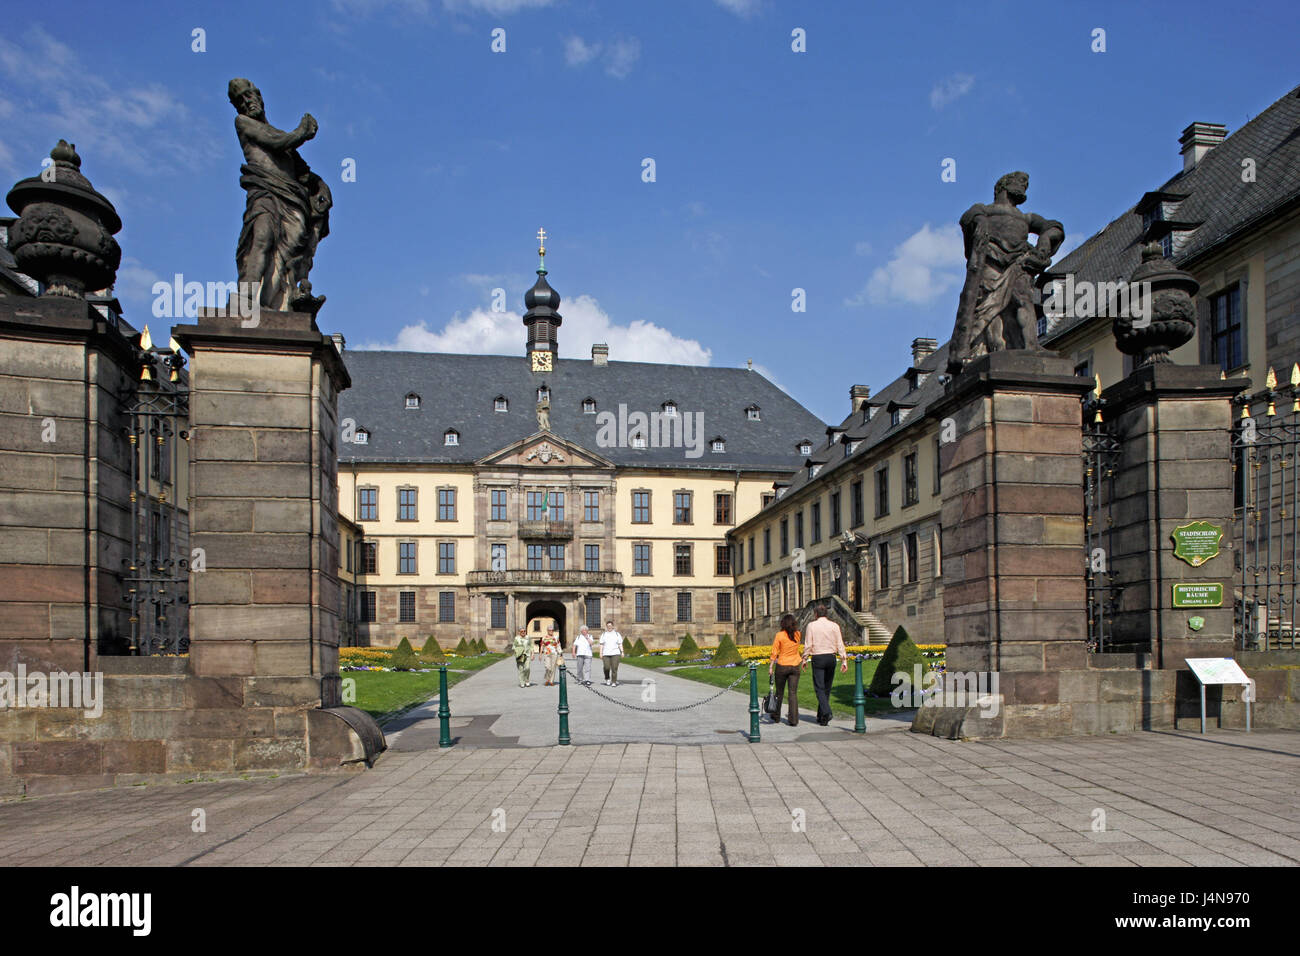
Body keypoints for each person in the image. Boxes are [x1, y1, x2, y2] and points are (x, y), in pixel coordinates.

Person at [801, 605, 847, 726]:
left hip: (818, 657)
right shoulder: (834, 625)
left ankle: (826, 712)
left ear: (816, 614)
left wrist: (804, 658)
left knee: (819, 688)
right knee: (826, 687)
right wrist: (844, 659)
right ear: (826, 614)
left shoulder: (811, 625)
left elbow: (808, 644)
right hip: (831, 657)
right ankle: (822, 717)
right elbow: (840, 643)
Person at [768, 614, 804, 726]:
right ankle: (793, 719)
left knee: (780, 693)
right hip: (794, 666)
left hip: (782, 665)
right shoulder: (798, 634)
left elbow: (775, 651)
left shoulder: (779, 635)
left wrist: (771, 666)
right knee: (793, 693)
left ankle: (776, 715)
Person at [599, 619, 624, 686]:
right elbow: (601, 644)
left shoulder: (617, 634)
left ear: (613, 626)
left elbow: (620, 644)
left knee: (614, 668)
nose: (609, 627)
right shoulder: (604, 634)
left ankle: (614, 681)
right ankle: (607, 678)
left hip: (615, 653)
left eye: (610, 626)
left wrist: (622, 652)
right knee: (606, 667)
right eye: (608, 626)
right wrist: (600, 653)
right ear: (606, 627)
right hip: (606, 654)